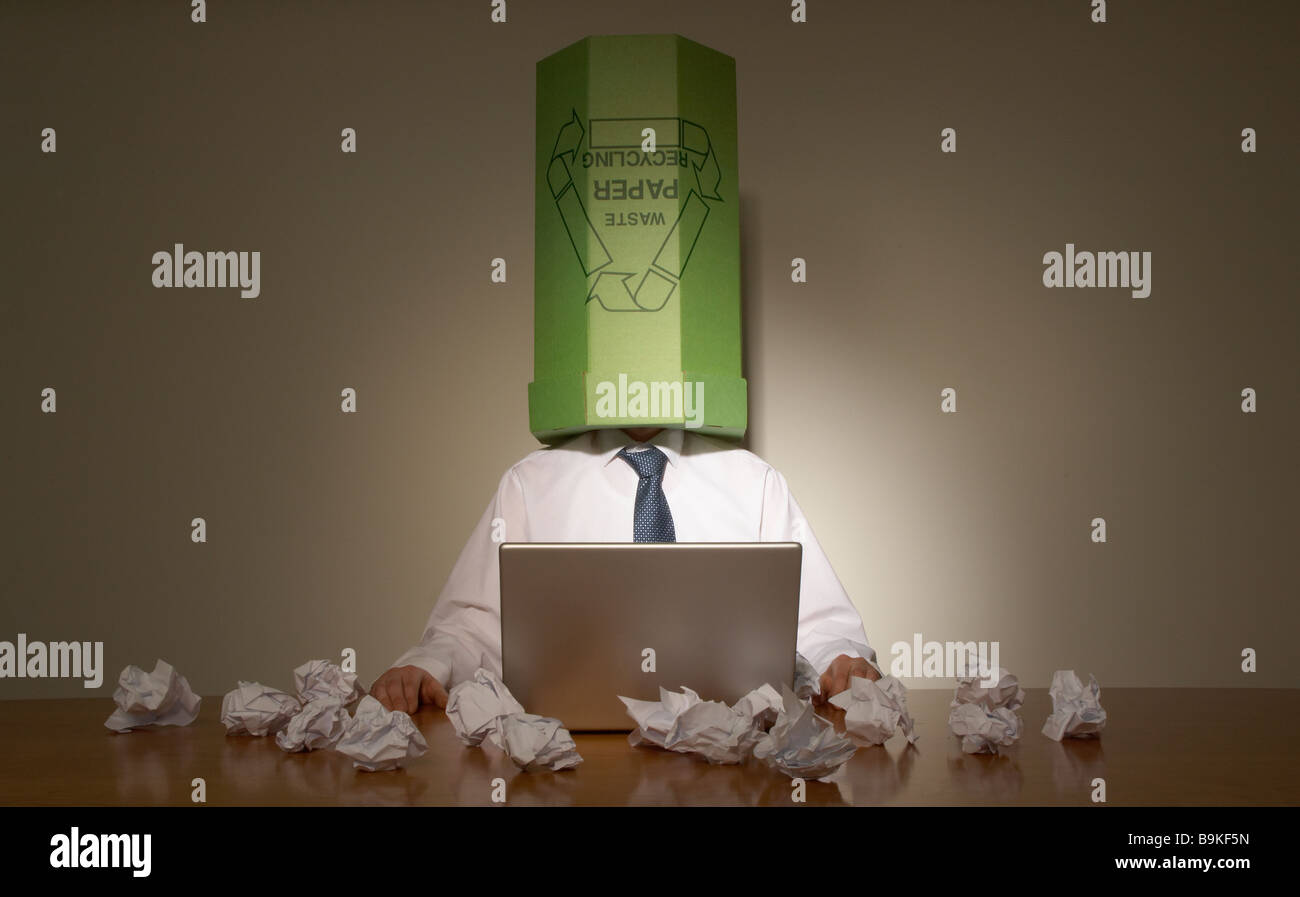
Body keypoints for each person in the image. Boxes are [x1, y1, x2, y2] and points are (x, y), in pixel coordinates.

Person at [370, 424, 881, 715]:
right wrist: (426, 664)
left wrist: (843, 658)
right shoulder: (531, 481)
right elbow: (476, 621)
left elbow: (815, 618)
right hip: (570, 759)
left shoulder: (754, 480)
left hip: (731, 763)